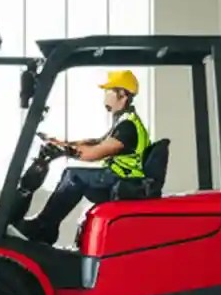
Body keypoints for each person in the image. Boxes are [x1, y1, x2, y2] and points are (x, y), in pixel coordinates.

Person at [14, 69, 149, 244]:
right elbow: (96, 142)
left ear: (122, 94)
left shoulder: (128, 127)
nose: (105, 96)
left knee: (73, 176)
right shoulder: (124, 120)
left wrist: (65, 152)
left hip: (124, 180)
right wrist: (63, 144)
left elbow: (95, 153)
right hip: (119, 177)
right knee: (70, 174)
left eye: (108, 91)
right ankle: (45, 223)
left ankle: (44, 226)